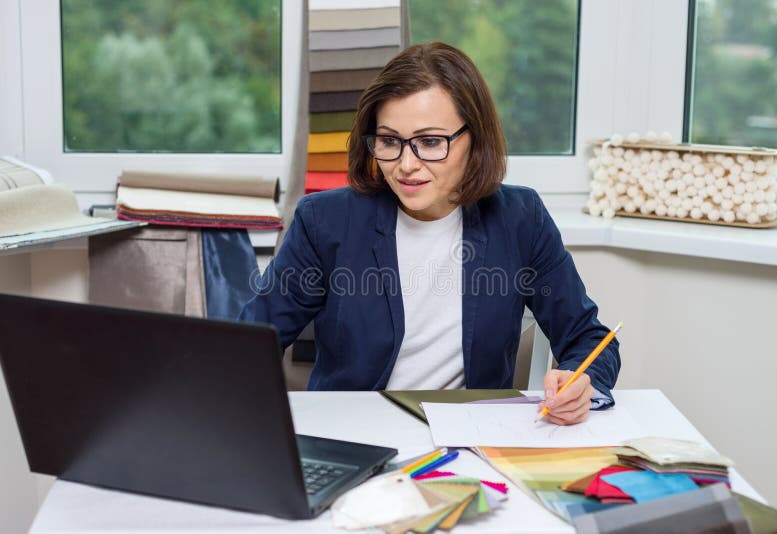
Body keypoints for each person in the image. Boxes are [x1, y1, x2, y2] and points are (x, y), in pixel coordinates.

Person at [241, 42, 620, 425]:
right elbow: (250, 341)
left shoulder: (521, 218)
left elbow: (590, 338)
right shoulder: (325, 220)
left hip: (470, 438)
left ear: (474, 139)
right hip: (350, 436)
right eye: (389, 141)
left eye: (431, 142)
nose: (407, 165)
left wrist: (581, 380)